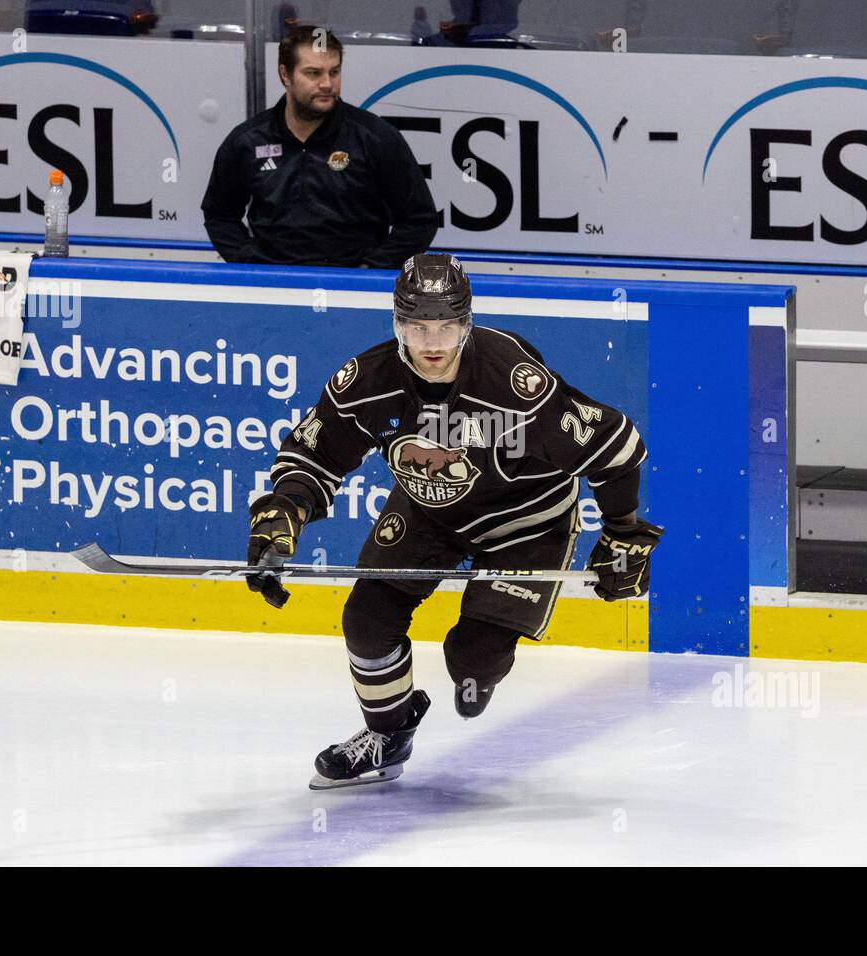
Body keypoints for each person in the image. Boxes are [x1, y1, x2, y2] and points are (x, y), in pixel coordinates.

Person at [245, 254, 663, 790]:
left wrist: (622, 532)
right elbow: (315, 457)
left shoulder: (513, 381)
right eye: (418, 326)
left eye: (446, 325)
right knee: (367, 622)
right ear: (397, 323)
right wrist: (283, 514)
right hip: (429, 510)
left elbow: (615, 447)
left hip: (526, 523)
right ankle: (387, 735)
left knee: (472, 665)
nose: (432, 341)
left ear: (466, 323)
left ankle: (476, 667)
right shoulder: (367, 381)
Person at [201, 25, 438, 268]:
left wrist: (371, 269)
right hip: (271, 288)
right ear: (285, 75)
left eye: (334, 72)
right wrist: (249, 262)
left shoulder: (374, 137)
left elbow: (419, 220)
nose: (327, 84)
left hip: (354, 287)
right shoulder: (248, 140)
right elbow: (219, 214)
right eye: (313, 73)